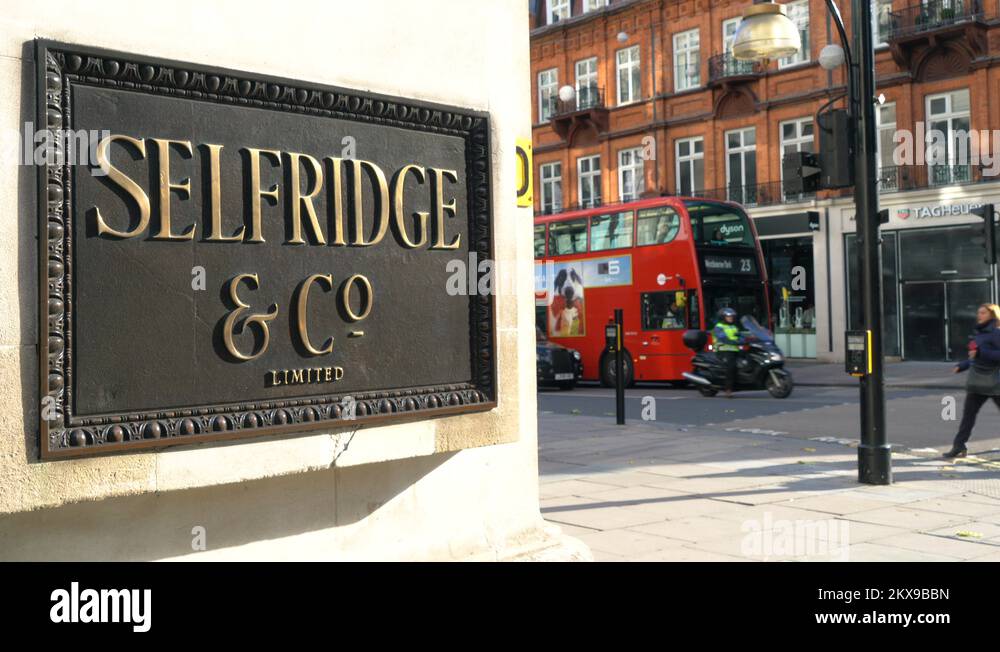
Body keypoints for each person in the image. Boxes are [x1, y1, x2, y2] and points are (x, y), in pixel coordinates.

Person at [946, 303, 1000, 458]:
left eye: (983, 313)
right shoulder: (979, 333)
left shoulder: (996, 333)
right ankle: (959, 446)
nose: (979, 315)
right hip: (977, 382)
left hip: (995, 382)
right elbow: (974, 357)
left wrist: (981, 352)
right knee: (968, 416)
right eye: (979, 312)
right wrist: (962, 365)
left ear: (992, 315)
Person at [712, 308, 742, 398]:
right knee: (730, 367)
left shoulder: (734, 326)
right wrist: (734, 342)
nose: (731, 318)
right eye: (728, 316)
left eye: (732, 316)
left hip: (734, 350)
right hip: (723, 350)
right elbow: (723, 338)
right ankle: (728, 389)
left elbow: (739, 336)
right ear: (723, 317)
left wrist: (749, 338)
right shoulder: (719, 327)